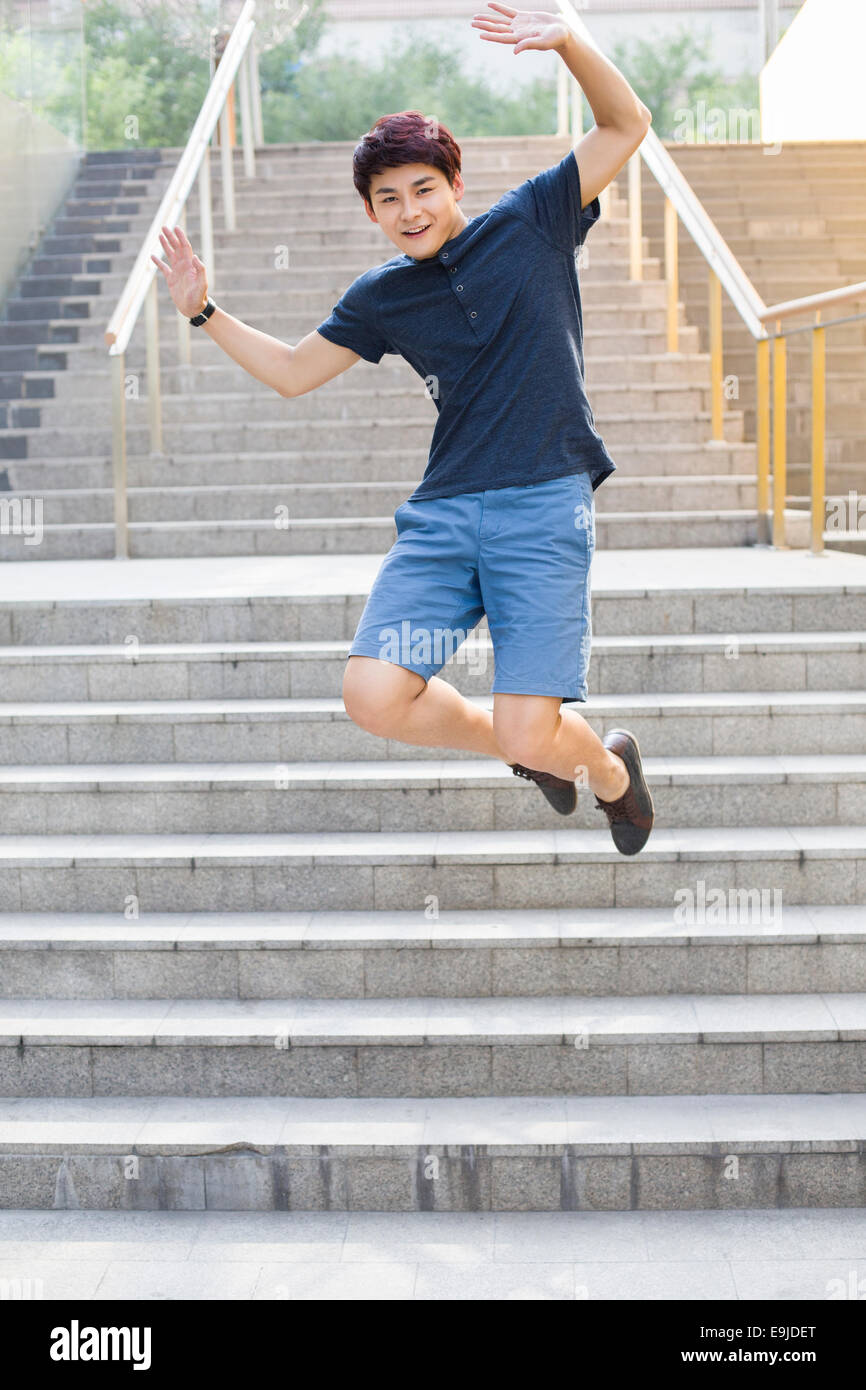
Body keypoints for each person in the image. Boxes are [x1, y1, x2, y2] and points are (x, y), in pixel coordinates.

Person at [151, 4, 655, 855]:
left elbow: (625, 123)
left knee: (540, 736)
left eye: (424, 188)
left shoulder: (534, 220)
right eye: (389, 199)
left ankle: (609, 772)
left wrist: (567, 38)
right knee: (375, 696)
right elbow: (290, 371)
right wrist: (202, 310)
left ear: (455, 185)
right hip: (448, 514)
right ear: (370, 211)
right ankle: (524, 746)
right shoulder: (380, 296)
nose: (409, 209)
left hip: (542, 504)